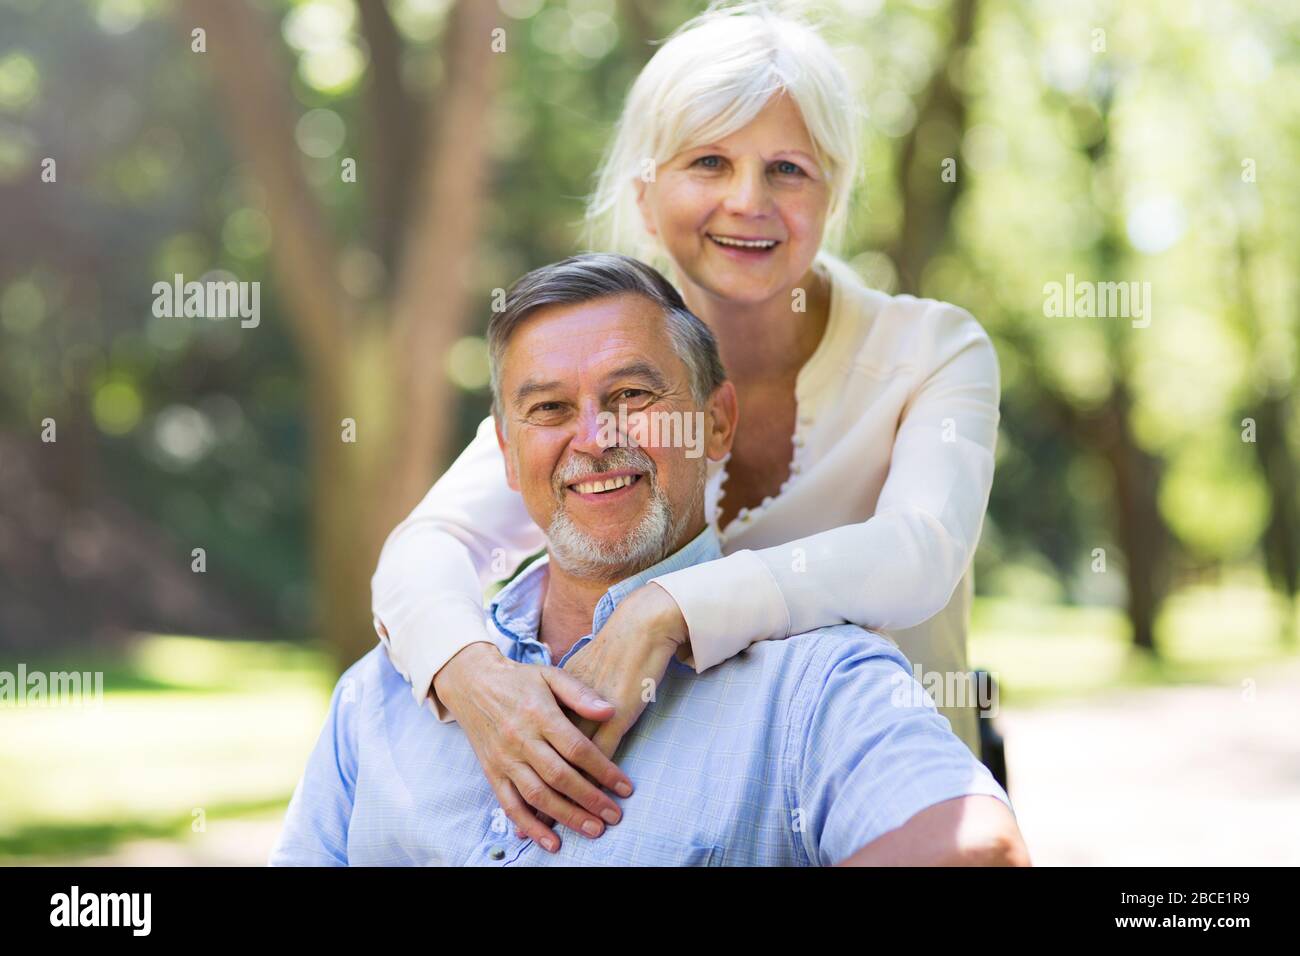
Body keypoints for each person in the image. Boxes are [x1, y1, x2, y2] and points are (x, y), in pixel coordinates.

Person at [371, 3, 1002, 851]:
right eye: (710, 161)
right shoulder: (596, 372)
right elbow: (424, 549)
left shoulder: (932, 349)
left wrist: (666, 608)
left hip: (888, 814)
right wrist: (470, 673)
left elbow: (921, 552)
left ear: (833, 192)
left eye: (788, 169)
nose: (749, 201)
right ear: (644, 188)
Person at [273, 255, 1026, 866]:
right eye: (550, 409)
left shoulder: (816, 689)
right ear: (506, 455)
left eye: (633, 394)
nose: (595, 437)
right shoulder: (381, 695)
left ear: (718, 422)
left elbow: (979, 857)